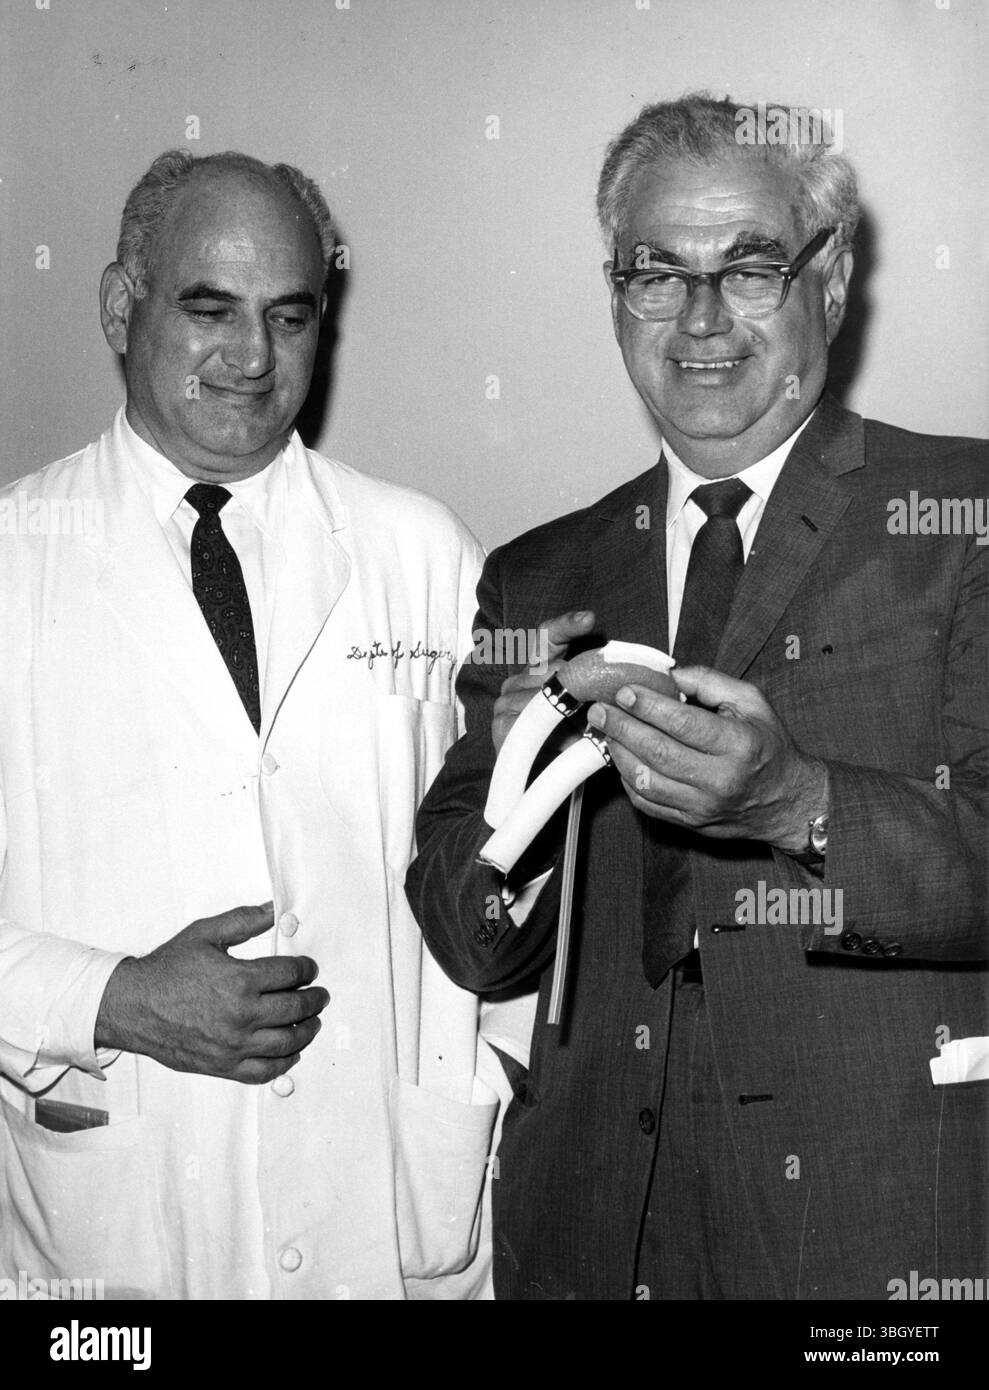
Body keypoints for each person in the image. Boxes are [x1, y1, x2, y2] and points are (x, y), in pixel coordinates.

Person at [406, 94, 988, 1300]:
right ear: (615, 296)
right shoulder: (538, 571)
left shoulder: (960, 519)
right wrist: (518, 797)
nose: (703, 319)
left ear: (827, 284)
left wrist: (797, 802)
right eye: (658, 272)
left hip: (873, 1220)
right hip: (592, 1227)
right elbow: (472, 944)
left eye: (751, 268)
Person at [0, 148, 522, 1300]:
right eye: (209, 309)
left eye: (289, 316)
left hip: (384, 1217)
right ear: (117, 305)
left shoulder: (421, 553)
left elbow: (505, 892)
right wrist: (110, 996)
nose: (251, 358)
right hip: (118, 1227)